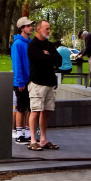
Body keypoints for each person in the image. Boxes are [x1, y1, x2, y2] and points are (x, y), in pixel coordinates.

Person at [26, 20, 60, 151]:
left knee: (47, 111)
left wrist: (49, 56)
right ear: (39, 29)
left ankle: (43, 139)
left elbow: (59, 60)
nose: (48, 31)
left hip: (50, 83)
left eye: (49, 28)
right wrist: (49, 57)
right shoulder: (33, 45)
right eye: (46, 28)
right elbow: (40, 60)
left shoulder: (49, 45)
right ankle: (33, 140)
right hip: (37, 83)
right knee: (35, 111)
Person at [10, 17, 34, 145]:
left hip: (30, 81)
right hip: (21, 82)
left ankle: (26, 132)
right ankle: (19, 134)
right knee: (21, 108)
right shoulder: (17, 44)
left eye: (31, 25)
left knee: (29, 108)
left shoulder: (29, 43)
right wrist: (20, 82)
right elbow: (17, 64)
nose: (31, 27)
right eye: (28, 25)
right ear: (22, 28)